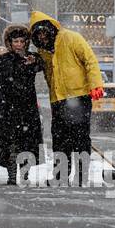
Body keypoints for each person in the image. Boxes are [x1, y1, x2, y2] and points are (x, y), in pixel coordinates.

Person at [28, 11, 105, 187]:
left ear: (50, 29)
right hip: (58, 100)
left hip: (78, 97)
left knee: (80, 138)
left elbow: (90, 60)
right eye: (38, 35)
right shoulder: (43, 51)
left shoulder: (71, 38)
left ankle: (81, 176)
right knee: (60, 139)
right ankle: (61, 175)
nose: (42, 36)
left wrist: (95, 85)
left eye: (44, 32)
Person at [0, 25, 42, 185]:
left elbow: (41, 64)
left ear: (26, 42)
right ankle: (11, 175)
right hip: (9, 109)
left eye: (21, 41)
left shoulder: (31, 58)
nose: (18, 44)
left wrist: (34, 61)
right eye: (15, 41)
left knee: (27, 143)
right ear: (9, 42)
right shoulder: (2, 61)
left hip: (28, 107)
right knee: (11, 143)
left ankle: (25, 175)